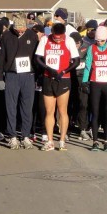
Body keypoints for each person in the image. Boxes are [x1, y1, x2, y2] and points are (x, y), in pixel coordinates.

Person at [0, 16, 39, 150]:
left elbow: (36, 57)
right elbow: (0, 58)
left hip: (28, 75)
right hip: (12, 75)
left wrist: (37, 76)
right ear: (13, 28)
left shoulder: (32, 35)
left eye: (22, 30)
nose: (20, 33)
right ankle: (12, 136)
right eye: (18, 31)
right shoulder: (6, 36)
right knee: (11, 106)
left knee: (27, 107)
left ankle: (25, 136)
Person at [34, 22, 80, 151]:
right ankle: (49, 141)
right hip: (48, 78)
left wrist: (64, 71)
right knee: (49, 111)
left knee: (62, 110)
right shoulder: (45, 39)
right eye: (55, 37)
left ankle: (62, 140)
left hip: (63, 79)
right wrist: (48, 69)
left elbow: (76, 60)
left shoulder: (69, 40)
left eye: (60, 37)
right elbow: (38, 58)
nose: (57, 39)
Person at [82, 26, 107, 151]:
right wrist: (84, 81)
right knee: (95, 112)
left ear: (106, 39)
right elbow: (88, 65)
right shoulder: (92, 48)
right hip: (95, 83)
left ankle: (106, 141)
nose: (99, 43)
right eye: (97, 40)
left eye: (102, 41)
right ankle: (95, 141)